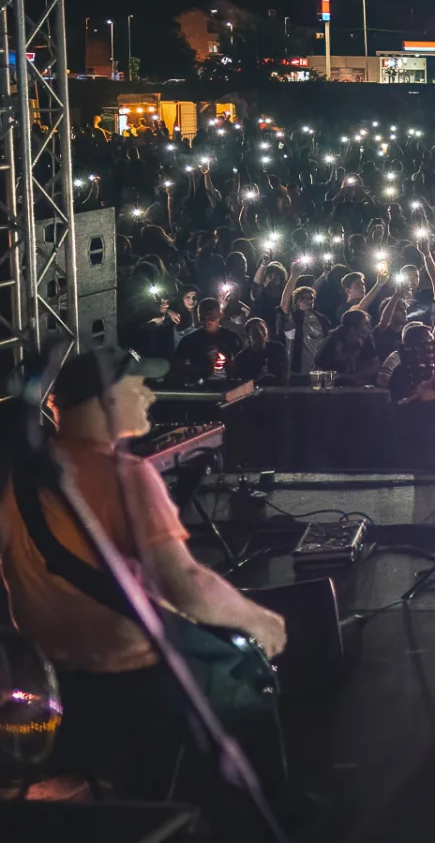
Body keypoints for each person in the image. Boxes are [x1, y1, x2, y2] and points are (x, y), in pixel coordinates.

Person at [0, 345, 296, 810]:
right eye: (138, 386)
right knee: (250, 679)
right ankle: (275, 814)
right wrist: (259, 622)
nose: (151, 397)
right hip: (125, 672)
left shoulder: (19, 476)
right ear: (105, 401)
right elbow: (184, 585)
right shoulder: (126, 477)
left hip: (46, 673)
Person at [166, 297, 244, 387]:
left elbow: (242, 363)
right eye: (203, 318)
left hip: (229, 386)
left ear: (220, 315)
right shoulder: (189, 340)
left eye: (211, 317)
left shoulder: (232, 338)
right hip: (199, 387)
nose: (207, 321)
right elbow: (178, 367)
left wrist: (230, 365)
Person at [314, 308, 381, 385]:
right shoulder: (332, 342)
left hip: (359, 384)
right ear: (352, 329)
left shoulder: (366, 340)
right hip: (334, 386)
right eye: (365, 324)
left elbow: (375, 365)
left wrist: (356, 376)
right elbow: (319, 368)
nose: (369, 327)